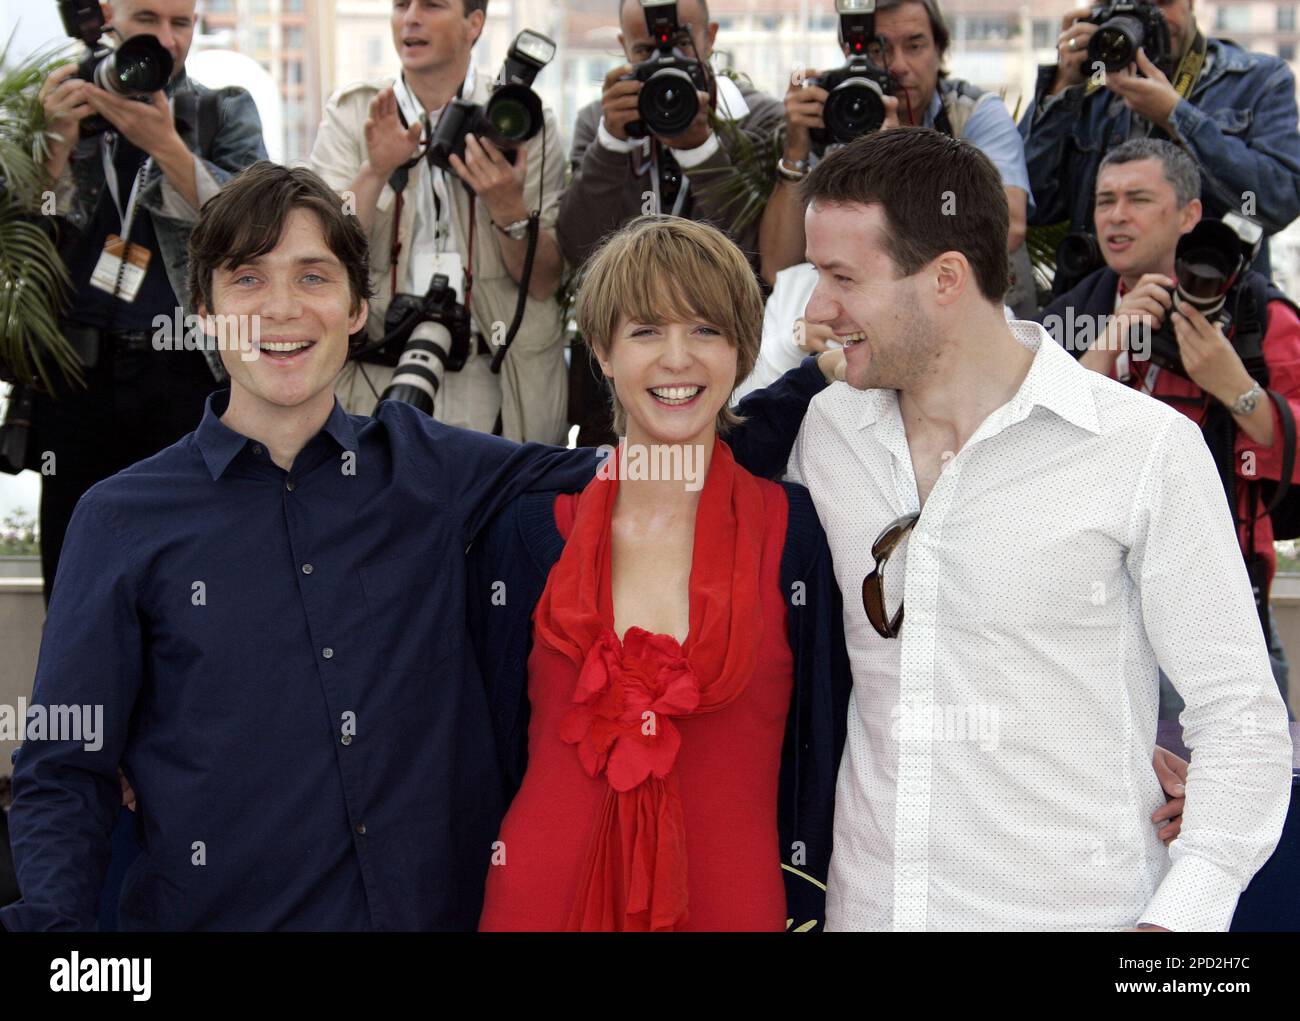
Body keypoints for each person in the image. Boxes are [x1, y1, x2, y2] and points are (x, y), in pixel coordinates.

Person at [0, 164, 842, 932]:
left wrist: (815, 377)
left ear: (359, 308)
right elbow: (64, 768)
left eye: (314, 277)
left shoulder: (433, 470)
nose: (283, 309)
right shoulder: (122, 518)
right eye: (248, 278)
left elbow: (653, 448)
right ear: (206, 310)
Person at [789, 127, 1292, 931]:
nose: (817, 310)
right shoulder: (828, 432)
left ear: (946, 278)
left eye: (843, 277)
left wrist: (1178, 923)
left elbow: (1240, 713)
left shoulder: (1143, 449)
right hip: (870, 909)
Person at [472, 217, 851, 931]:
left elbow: (820, 753)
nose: (678, 358)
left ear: (740, 351)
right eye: (646, 330)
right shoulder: (527, 536)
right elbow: (483, 752)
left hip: (732, 905)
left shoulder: (795, 533)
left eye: (706, 330)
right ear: (604, 353)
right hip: (536, 899)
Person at [1038, 138, 1300, 722]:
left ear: (1189, 215)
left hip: (1221, 599)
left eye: (1137, 199)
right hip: (1090, 603)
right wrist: (1108, 343)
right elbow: (1029, 449)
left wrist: (1231, 383)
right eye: (1105, 201)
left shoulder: (1256, 313)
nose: (1116, 216)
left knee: (1232, 791)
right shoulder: (1071, 313)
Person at [28, 0, 266, 602]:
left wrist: (168, 149)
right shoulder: (58, 106)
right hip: (74, 375)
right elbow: (18, 244)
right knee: (77, 581)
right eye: (147, 21)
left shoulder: (221, 110)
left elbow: (260, 237)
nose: (166, 40)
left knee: (191, 584)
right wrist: (49, 153)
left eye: (180, 24)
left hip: (187, 370)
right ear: (108, 17)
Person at [747, 0, 1035, 398]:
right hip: (862, 341)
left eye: (915, 46)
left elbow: (1009, 228)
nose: (898, 65)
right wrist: (796, 150)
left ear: (940, 49)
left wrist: (902, 160)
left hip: (975, 333)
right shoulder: (834, 111)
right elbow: (778, 265)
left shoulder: (973, 111)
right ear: (853, 51)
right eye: (880, 49)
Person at [309, 0, 569, 442]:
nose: (410, 18)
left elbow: (543, 281)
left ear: (475, 24)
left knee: (496, 511)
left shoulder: (523, 118)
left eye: (431, 5)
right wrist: (375, 172)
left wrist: (506, 207)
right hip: (374, 372)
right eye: (400, 6)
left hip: (494, 375)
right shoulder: (354, 112)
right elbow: (319, 257)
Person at [558, 0, 784, 446]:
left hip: (723, 358)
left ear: (710, 38)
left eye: (681, 43)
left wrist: (699, 148)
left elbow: (758, 252)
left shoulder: (758, 117)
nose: (665, 62)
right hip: (624, 365)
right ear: (623, 47)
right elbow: (576, 245)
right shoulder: (600, 119)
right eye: (645, 50)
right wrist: (610, 143)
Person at [1019, 0, 1300, 291]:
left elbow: (1277, 201)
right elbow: (1025, 206)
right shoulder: (1091, 88)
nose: (1151, 20)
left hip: (1214, 308)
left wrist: (1176, 117)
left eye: (1163, 2)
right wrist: (1062, 89)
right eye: (1135, 8)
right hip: (1097, 313)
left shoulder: (1256, 79)